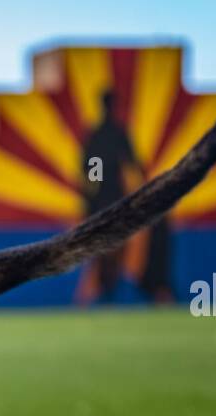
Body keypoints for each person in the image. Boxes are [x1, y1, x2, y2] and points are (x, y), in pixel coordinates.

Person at [79, 89, 141, 303]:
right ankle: (99, 289)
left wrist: (96, 187)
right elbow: (129, 164)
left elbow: (92, 169)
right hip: (110, 198)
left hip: (103, 198)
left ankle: (107, 288)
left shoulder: (100, 134)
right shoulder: (111, 133)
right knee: (107, 248)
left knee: (106, 248)